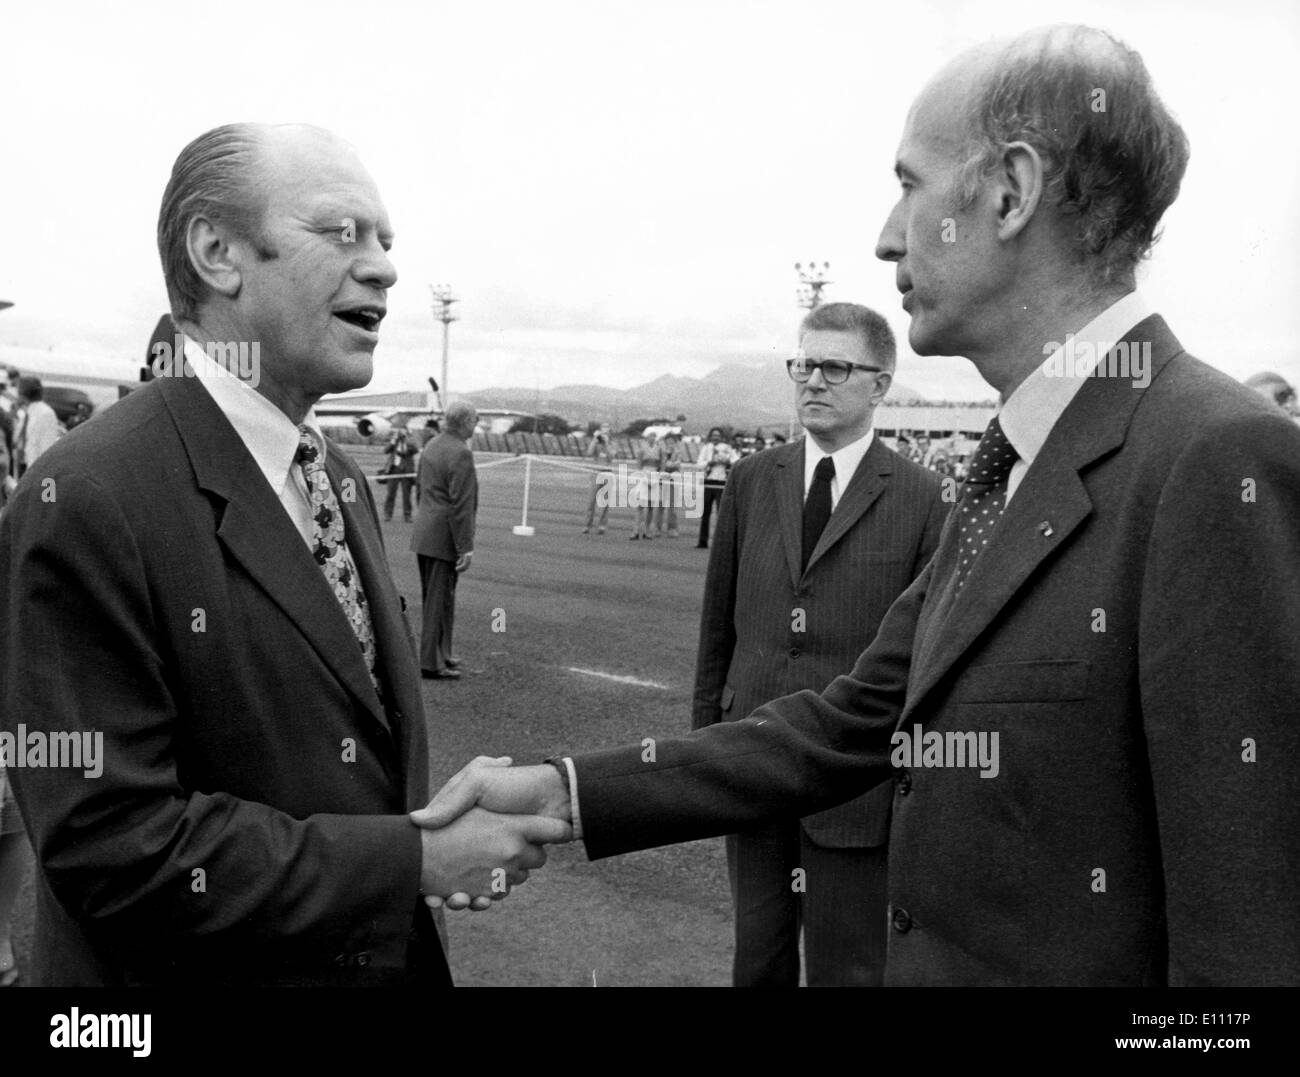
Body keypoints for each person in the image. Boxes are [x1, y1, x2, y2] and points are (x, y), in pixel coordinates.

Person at [418, 25, 1300, 986]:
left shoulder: (1213, 457)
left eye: (910, 182)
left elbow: (1248, 944)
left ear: (1010, 193)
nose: (886, 235)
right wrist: (567, 789)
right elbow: (850, 724)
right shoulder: (1014, 462)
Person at [0, 122, 565, 987]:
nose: (383, 266)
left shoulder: (337, 477)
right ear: (218, 252)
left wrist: (432, 816)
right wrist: (409, 859)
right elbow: (109, 845)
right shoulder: (86, 497)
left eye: (386, 241)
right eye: (344, 232)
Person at [699, 301, 946, 986]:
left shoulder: (926, 499)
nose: (812, 380)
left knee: (851, 971)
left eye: (833, 366)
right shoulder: (751, 480)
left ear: (880, 383)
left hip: (856, 786)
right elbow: (717, 628)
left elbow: (926, 664)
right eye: (803, 364)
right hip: (750, 768)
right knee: (757, 961)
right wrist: (704, 751)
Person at [410, 399, 479, 680]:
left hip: (426, 531)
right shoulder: (460, 453)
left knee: (438, 599)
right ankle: (431, 662)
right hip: (443, 536)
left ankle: (442, 653)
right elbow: (461, 505)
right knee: (440, 600)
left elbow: (419, 489)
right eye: (475, 420)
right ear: (463, 422)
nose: (477, 425)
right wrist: (466, 546)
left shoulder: (432, 445)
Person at [694, 426, 734, 548]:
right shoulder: (706, 448)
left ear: (721, 437)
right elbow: (699, 465)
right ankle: (702, 540)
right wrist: (709, 463)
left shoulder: (727, 448)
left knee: (721, 513)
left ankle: (720, 543)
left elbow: (736, 461)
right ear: (710, 436)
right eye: (713, 435)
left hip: (721, 482)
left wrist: (726, 461)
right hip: (709, 481)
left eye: (718, 435)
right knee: (705, 513)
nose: (715, 437)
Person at [13, 375, 60, 476]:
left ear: (23, 394)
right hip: (22, 468)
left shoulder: (46, 414)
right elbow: (17, 441)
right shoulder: (26, 414)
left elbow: (47, 449)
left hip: (36, 472)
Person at [582, 426, 614, 534]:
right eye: (603, 432)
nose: (604, 435)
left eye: (606, 433)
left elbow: (611, 457)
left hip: (607, 473)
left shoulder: (611, 444)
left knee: (605, 502)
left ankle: (602, 525)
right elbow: (589, 453)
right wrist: (595, 440)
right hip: (596, 473)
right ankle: (587, 524)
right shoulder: (596, 444)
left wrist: (606, 444)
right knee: (591, 501)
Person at [381, 426, 419, 522]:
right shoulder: (394, 441)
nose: (401, 433)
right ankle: (388, 514)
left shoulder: (410, 440)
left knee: (407, 495)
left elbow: (416, 449)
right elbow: (385, 450)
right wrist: (393, 441)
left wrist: (406, 440)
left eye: (403, 431)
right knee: (390, 493)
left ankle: (407, 515)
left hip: (407, 471)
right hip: (394, 469)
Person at [630, 430, 660, 540]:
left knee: (651, 506)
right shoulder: (642, 448)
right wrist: (639, 475)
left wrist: (660, 475)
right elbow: (639, 463)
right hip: (644, 474)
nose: (652, 438)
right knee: (640, 505)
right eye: (650, 436)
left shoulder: (659, 448)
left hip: (655, 475)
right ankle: (636, 530)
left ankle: (647, 531)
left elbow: (661, 463)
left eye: (654, 436)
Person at [655, 432, 683, 536]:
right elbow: (660, 464)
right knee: (660, 504)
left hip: (673, 480)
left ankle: (672, 528)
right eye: (668, 442)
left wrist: (668, 464)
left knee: (672, 505)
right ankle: (657, 528)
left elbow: (676, 464)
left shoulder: (678, 452)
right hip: (662, 479)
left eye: (672, 442)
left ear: (675, 442)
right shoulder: (662, 452)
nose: (670, 444)